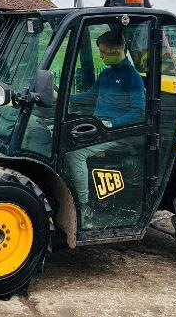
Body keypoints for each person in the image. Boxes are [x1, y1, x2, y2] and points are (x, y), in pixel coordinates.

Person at [65, 29, 146, 221]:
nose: (100, 56)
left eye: (103, 52)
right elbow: (89, 97)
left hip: (118, 133)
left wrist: (112, 124)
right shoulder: (107, 75)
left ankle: (82, 207)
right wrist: (62, 98)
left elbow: (139, 111)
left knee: (76, 152)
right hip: (99, 128)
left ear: (117, 49)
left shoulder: (132, 77)